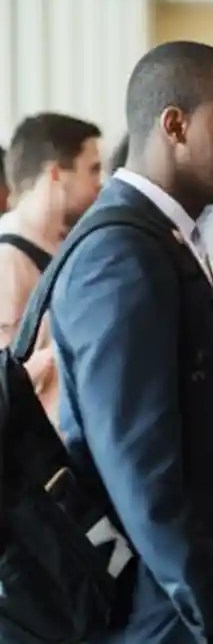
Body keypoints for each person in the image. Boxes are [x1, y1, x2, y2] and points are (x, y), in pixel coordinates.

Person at [49, 40, 213, 644]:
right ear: (174, 125)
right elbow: (136, 459)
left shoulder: (161, 236)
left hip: (181, 615)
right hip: (162, 627)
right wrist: (203, 602)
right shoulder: (122, 252)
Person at [0, 113, 102, 420]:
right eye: (93, 170)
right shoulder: (8, 259)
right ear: (56, 174)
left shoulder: (61, 245)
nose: (101, 184)